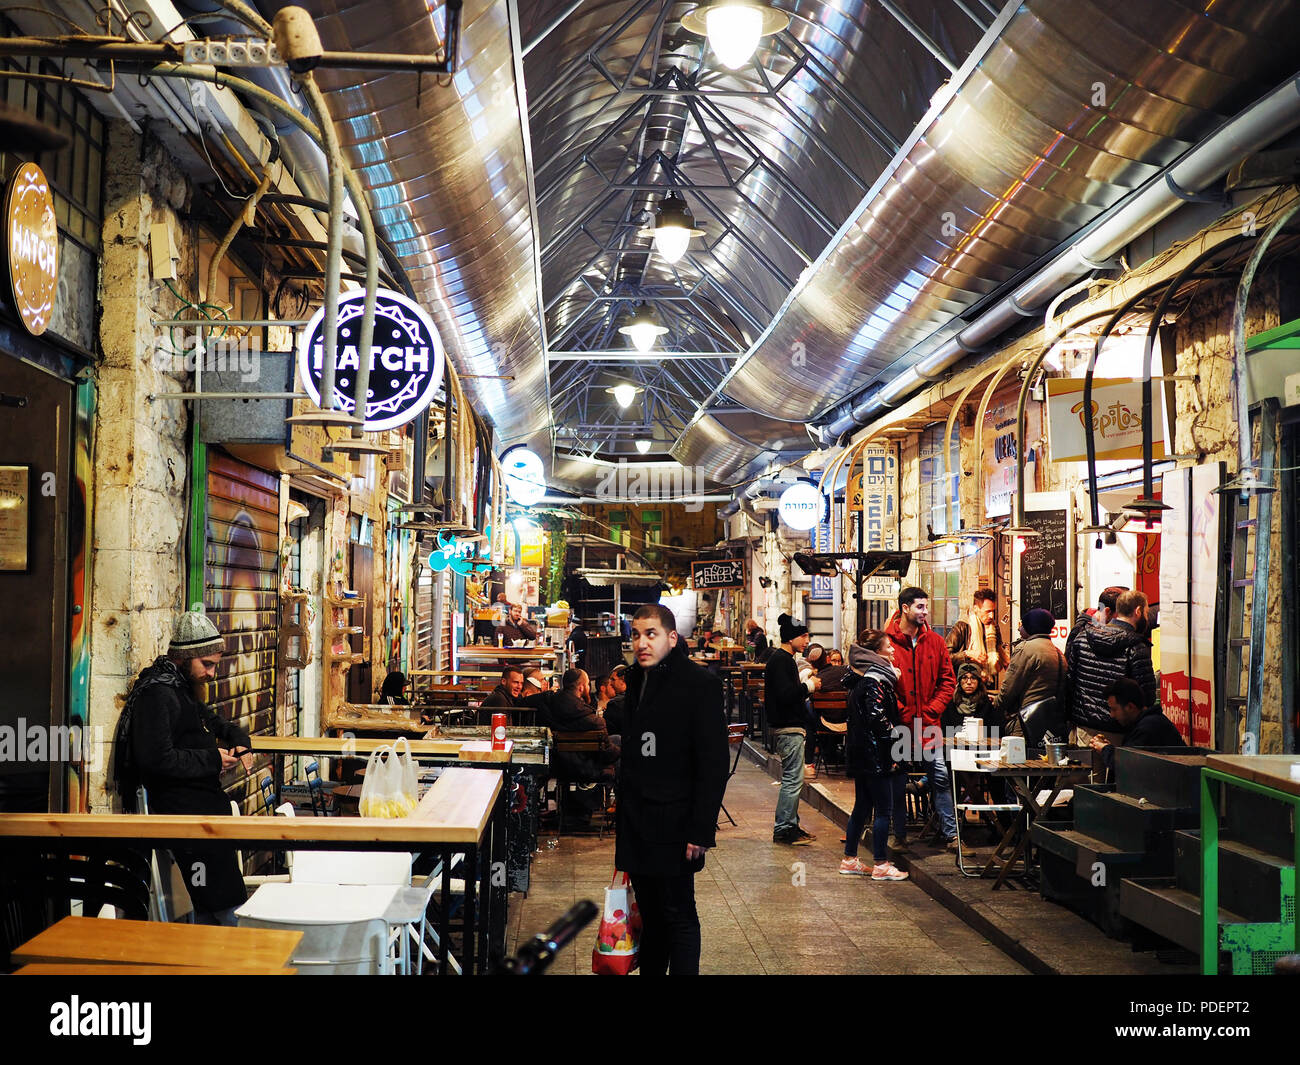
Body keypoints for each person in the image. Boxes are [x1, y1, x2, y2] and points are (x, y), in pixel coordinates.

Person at [112, 610, 252, 925]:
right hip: (186, 820)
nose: (213, 673)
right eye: (208, 664)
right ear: (184, 658)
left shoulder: (178, 687)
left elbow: (212, 721)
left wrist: (240, 739)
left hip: (205, 818)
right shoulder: (158, 694)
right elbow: (157, 760)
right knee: (221, 902)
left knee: (213, 903)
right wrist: (214, 759)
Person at [615, 604, 729, 976]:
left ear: (672, 637)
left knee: (679, 913)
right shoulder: (636, 679)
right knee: (651, 916)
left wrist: (700, 830)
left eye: (651, 634)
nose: (642, 642)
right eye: (635, 634)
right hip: (638, 821)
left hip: (676, 822)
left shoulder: (699, 684)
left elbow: (713, 764)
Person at [885, 586, 958, 848]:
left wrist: (932, 709)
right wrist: (901, 710)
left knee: (939, 776)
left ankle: (951, 834)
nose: (925, 612)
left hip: (929, 724)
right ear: (904, 608)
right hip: (900, 726)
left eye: (926, 607)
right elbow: (882, 684)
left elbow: (948, 681)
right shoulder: (888, 643)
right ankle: (900, 834)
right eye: (919, 607)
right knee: (897, 780)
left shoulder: (936, 642)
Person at [841, 631, 909, 881]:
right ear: (877, 653)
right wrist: (895, 739)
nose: (892, 650)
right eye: (888, 647)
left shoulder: (863, 677)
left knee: (862, 807)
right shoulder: (875, 679)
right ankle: (880, 863)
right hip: (876, 755)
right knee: (883, 810)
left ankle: (849, 859)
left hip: (862, 753)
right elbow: (877, 716)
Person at [1066, 589, 1157, 749]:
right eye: (1146, 612)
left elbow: (1069, 682)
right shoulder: (1136, 647)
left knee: (1088, 773)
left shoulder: (1082, 638)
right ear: (1138, 611)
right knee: (1115, 773)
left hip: (1084, 729)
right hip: (1119, 732)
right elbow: (1146, 697)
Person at [765, 612, 821, 845]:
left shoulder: (785, 660)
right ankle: (784, 829)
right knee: (792, 780)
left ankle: (792, 825)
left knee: (794, 779)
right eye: (803, 636)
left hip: (791, 727)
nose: (807, 641)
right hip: (788, 728)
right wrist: (808, 686)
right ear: (791, 638)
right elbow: (785, 695)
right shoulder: (780, 660)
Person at [994, 608, 1067, 741]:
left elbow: (1009, 689)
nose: (1019, 628)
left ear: (1031, 627)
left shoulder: (1026, 649)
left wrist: (996, 703)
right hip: (1050, 723)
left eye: (1022, 624)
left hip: (1026, 722)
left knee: (1019, 760)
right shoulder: (1058, 653)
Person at [1090, 677, 1185, 777]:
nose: (1111, 715)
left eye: (1114, 709)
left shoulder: (1148, 727)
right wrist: (1109, 749)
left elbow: (1126, 765)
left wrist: (1105, 749)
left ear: (1130, 707)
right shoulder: (1143, 723)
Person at [947, 588, 1007, 689]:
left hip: (987, 685)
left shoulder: (994, 627)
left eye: (993, 611)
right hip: (964, 688)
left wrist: (1003, 657)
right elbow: (945, 657)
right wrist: (967, 654)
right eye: (987, 611)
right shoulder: (962, 627)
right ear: (975, 608)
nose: (991, 616)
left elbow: (999, 653)